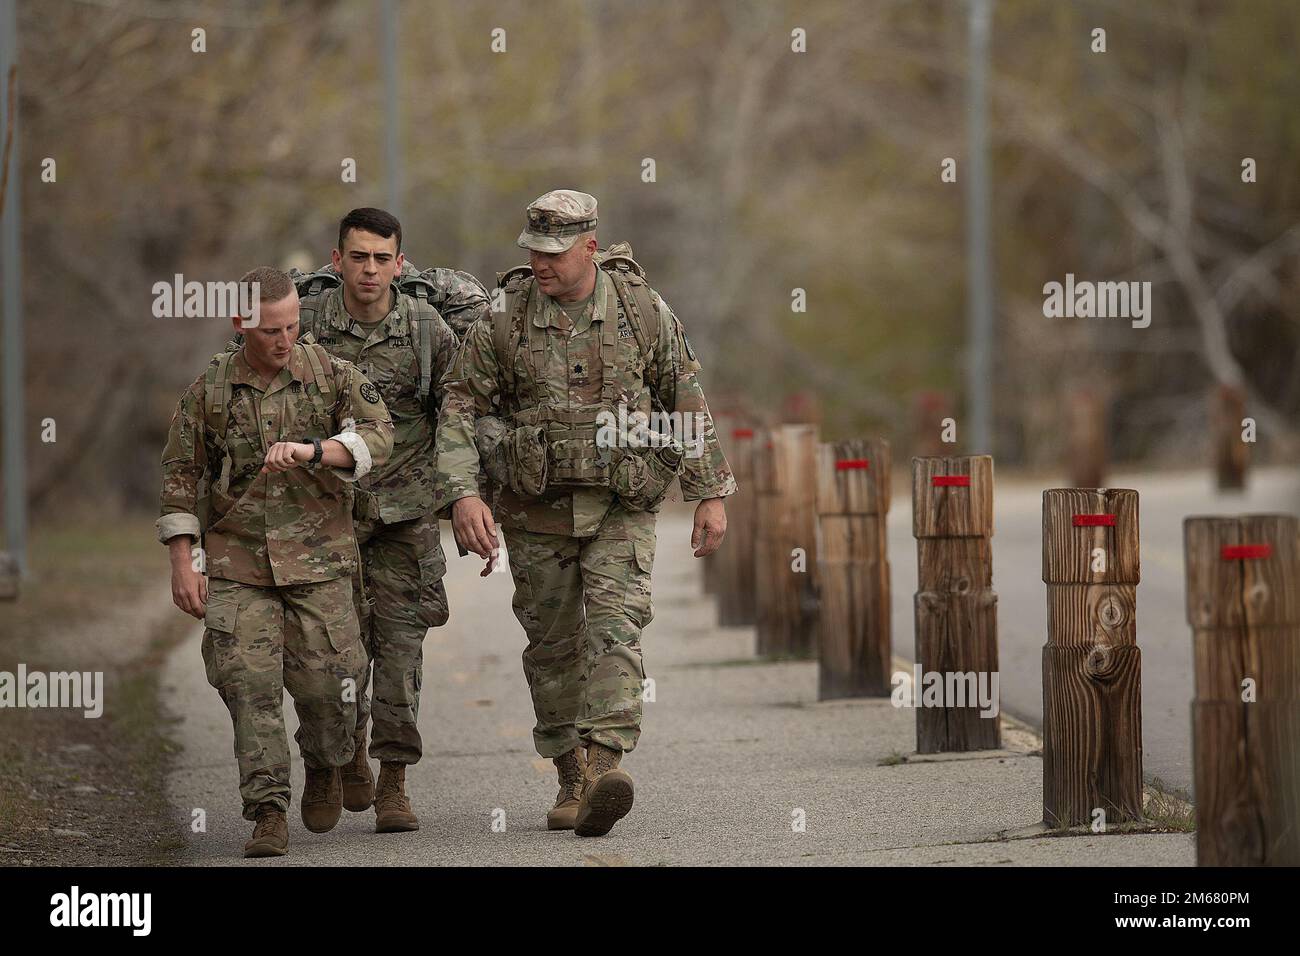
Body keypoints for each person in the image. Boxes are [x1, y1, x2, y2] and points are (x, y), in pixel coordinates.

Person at [434, 190, 736, 837]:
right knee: (552, 649)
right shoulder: (504, 317)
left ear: (590, 247)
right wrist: (463, 493)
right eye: (533, 252)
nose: (541, 263)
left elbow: (683, 396)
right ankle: (569, 775)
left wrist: (708, 490)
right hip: (534, 509)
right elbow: (461, 405)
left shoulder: (639, 311)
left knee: (616, 628)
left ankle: (604, 767)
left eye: (555, 252)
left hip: (620, 506)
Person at [158, 267, 393, 857]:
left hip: (321, 557)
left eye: (292, 325)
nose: (285, 339)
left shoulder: (332, 375)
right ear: (241, 325)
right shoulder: (211, 390)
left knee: (331, 687)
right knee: (247, 684)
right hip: (238, 561)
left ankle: (330, 760)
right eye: (270, 331)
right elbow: (181, 476)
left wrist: (317, 450)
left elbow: (379, 434)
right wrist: (182, 560)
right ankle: (267, 810)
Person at [275, 208, 464, 833]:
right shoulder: (308, 329)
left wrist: (468, 494)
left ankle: (394, 780)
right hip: (326, 518)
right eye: (359, 257)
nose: (370, 270)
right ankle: (333, 760)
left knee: (401, 653)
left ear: (399, 264)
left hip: (406, 516)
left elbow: (459, 412)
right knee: (331, 656)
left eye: (383, 258)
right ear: (337, 261)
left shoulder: (426, 328)